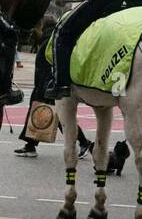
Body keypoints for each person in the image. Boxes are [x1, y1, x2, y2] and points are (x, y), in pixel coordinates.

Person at [16, 14, 92, 158]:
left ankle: (83, 141)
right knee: (51, 116)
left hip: (46, 85)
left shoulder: (48, 42)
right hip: (47, 84)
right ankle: (30, 145)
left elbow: (46, 67)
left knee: (59, 118)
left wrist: (44, 87)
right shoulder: (52, 40)